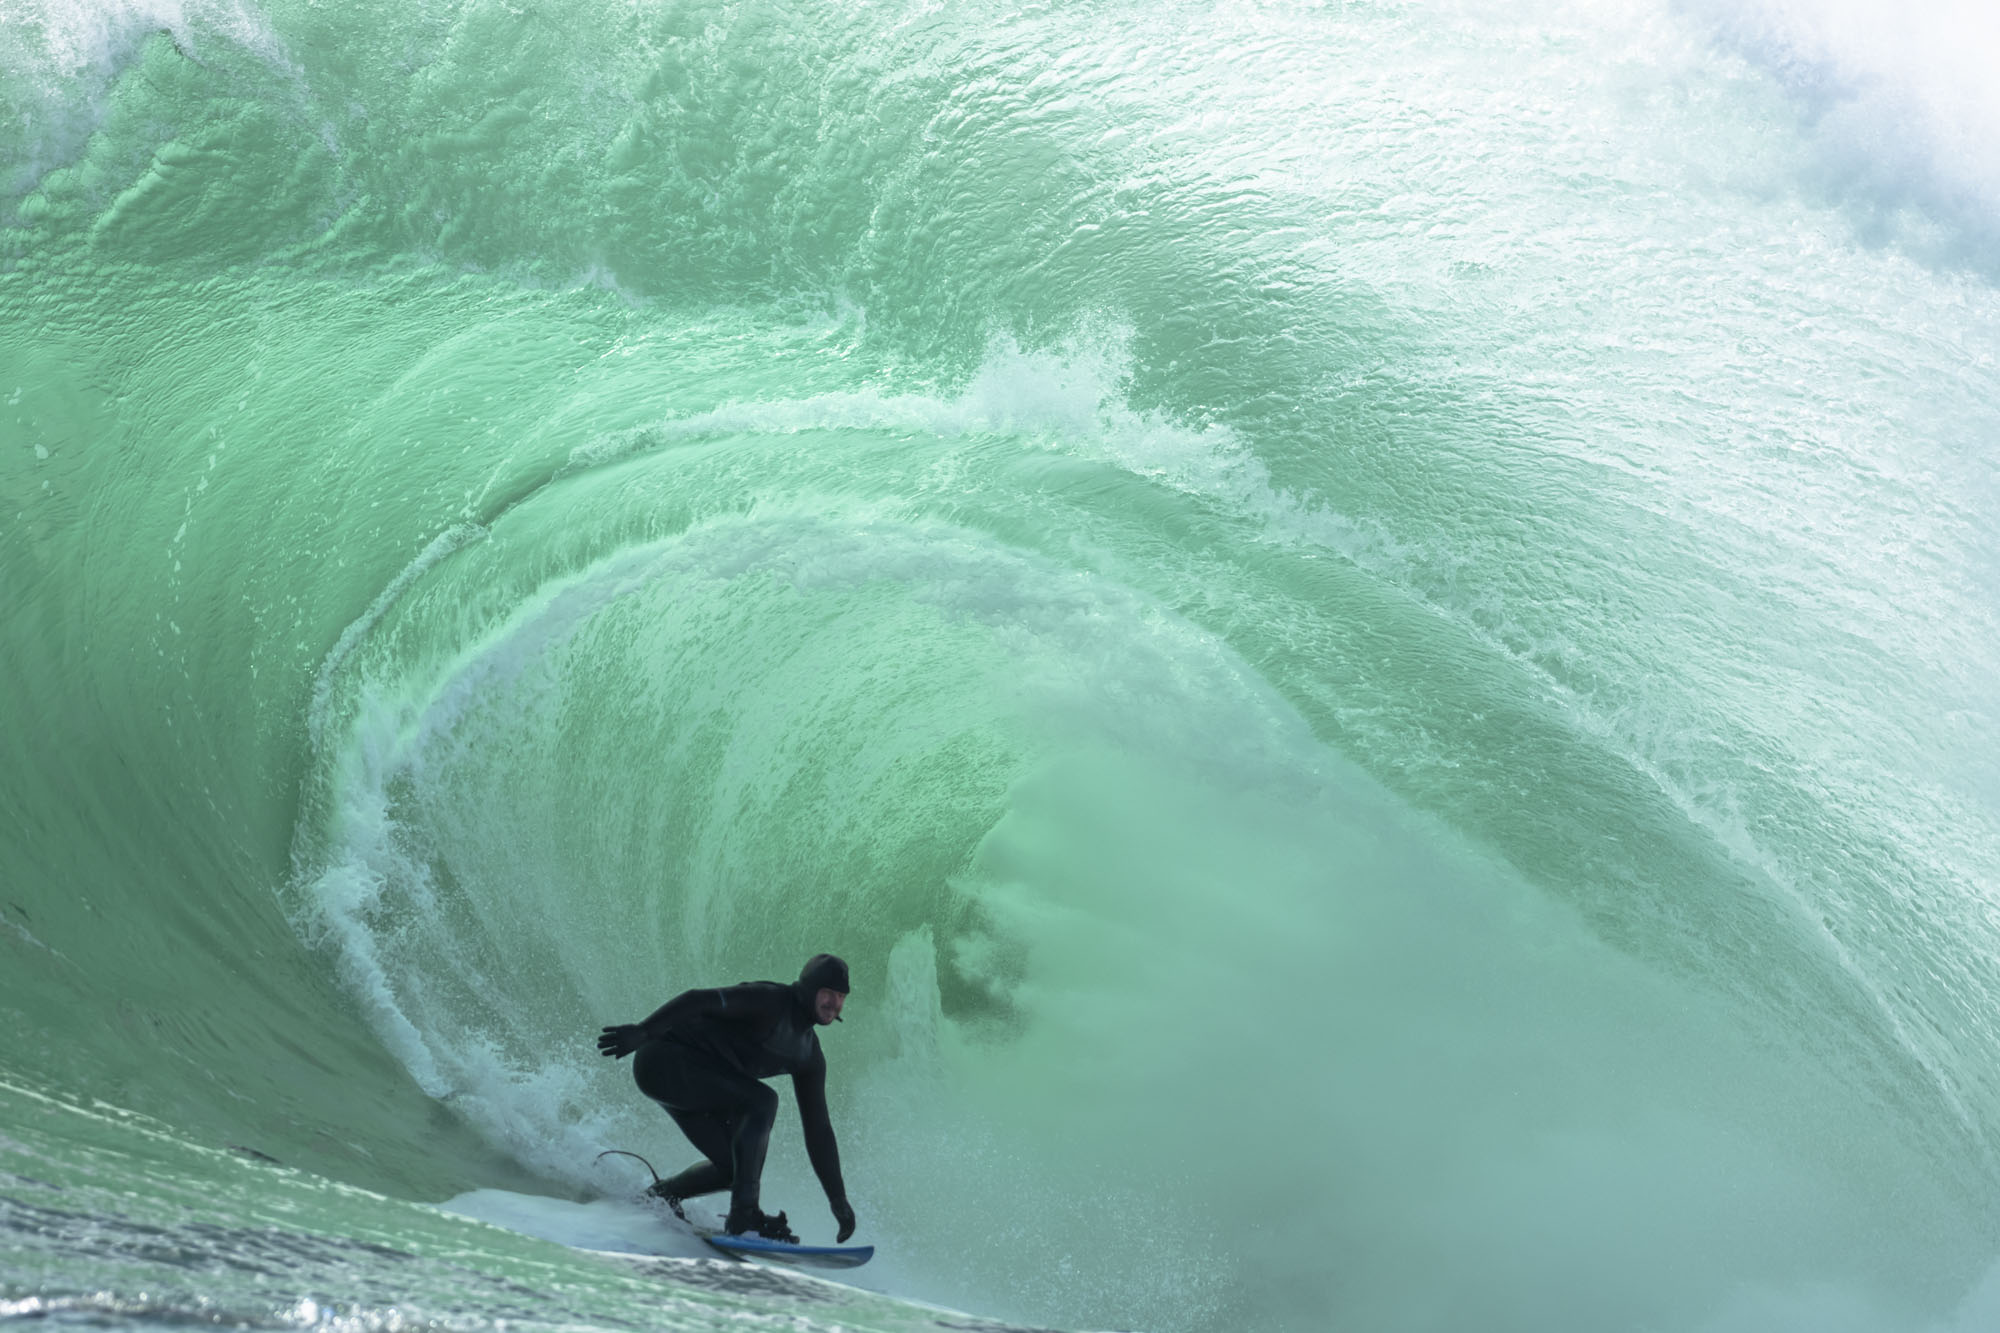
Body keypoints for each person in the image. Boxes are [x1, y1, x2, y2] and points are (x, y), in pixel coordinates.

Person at [597, 953, 857, 1244]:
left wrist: (837, 1198)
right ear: (810, 988)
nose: (834, 1004)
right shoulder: (769, 1001)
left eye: (841, 996)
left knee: (735, 1167)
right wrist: (643, 1031)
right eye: (828, 993)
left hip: (699, 1083)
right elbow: (698, 1000)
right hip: (663, 1059)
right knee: (763, 1101)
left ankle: (660, 1196)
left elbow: (819, 1130)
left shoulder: (809, 1055)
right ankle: (744, 1215)